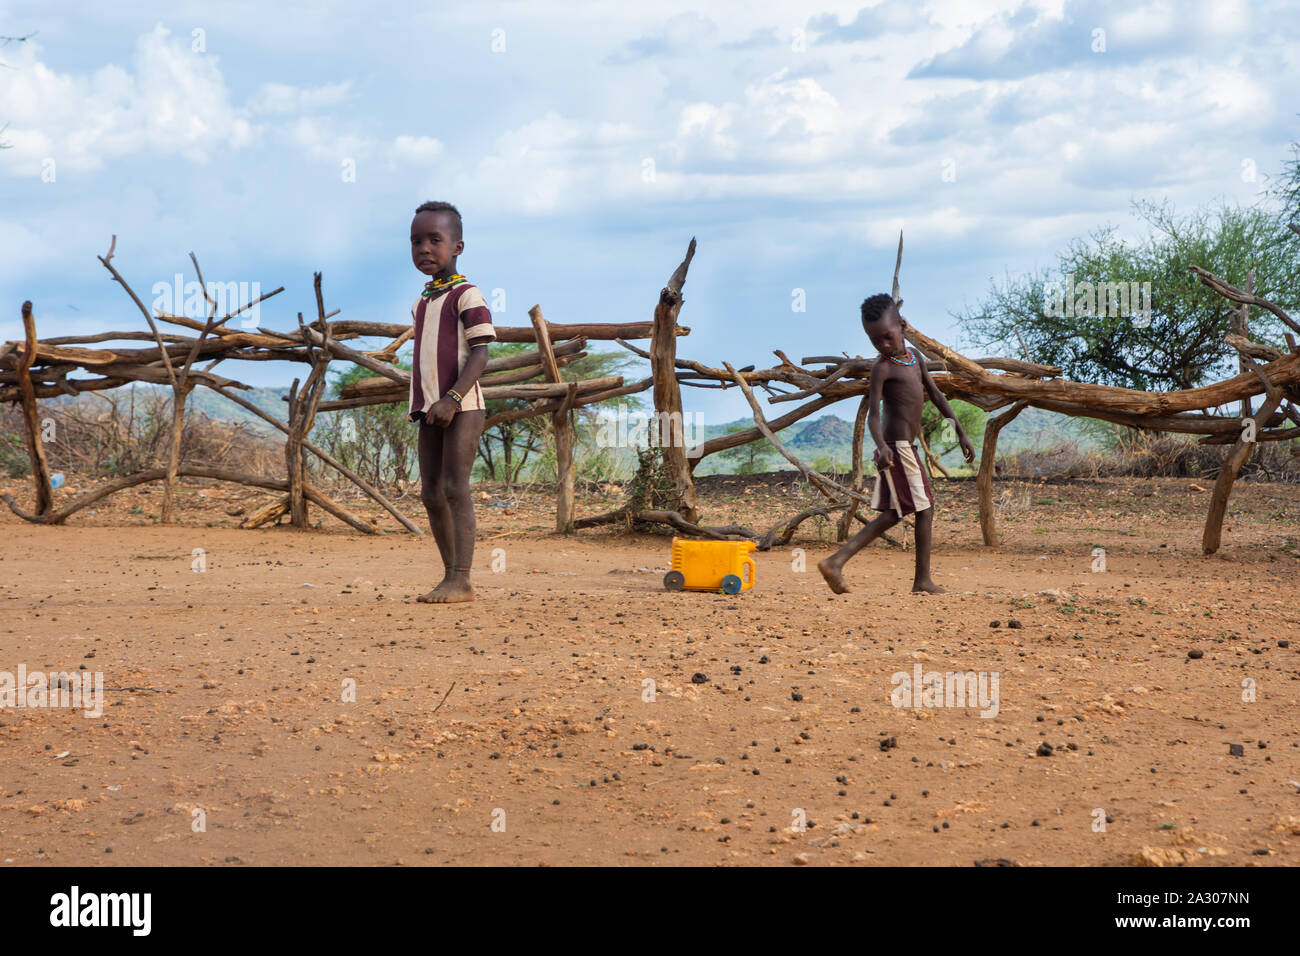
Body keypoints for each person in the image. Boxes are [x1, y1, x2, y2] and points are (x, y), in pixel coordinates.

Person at [818, 293, 974, 595]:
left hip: (904, 447)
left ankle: (836, 562)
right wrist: (882, 446)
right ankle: (922, 580)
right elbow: (873, 416)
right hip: (897, 448)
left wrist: (959, 430)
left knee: (895, 512)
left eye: (887, 337)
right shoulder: (882, 368)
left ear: (902, 326)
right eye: (875, 341)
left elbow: (937, 394)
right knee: (925, 509)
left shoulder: (914, 356)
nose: (883, 345)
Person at [407, 201, 494, 603]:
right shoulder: (422, 302)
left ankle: (462, 580)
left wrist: (453, 398)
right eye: (417, 241)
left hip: (463, 406)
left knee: (456, 488)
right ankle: (449, 575)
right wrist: (429, 403)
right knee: (430, 493)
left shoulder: (467, 294)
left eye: (434, 240)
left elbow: (480, 352)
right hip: (430, 409)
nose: (424, 248)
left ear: (457, 247)